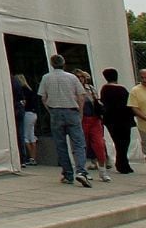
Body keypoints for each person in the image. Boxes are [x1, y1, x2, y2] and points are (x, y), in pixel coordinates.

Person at [37, 55, 91, 188]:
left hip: (55, 111)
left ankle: (67, 173)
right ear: (64, 63)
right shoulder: (72, 78)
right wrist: (80, 112)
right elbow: (81, 95)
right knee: (78, 143)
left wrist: (50, 110)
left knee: (60, 145)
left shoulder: (46, 77)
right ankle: (81, 171)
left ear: (52, 64)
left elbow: (43, 97)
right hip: (71, 110)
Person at [75, 70, 111, 182]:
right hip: (82, 119)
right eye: (78, 77)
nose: (80, 79)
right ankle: (83, 170)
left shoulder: (90, 88)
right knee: (82, 145)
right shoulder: (73, 90)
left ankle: (102, 170)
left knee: (99, 144)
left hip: (94, 119)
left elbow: (97, 101)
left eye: (81, 77)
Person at [99, 68, 134, 174]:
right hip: (123, 119)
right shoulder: (122, 90)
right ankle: (123, 163)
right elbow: (129, 104)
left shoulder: (104, 89)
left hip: (110, 119)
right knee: (125, 142)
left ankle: (122, 163)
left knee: (118, 142)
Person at [13, 73, 39, 166]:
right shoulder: (30, 90)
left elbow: (23, 103)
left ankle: (28, 157)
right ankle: (33, 157)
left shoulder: (22, 91)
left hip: (27, 113)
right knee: (31, 135)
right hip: (34, 114)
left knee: (25, 136)